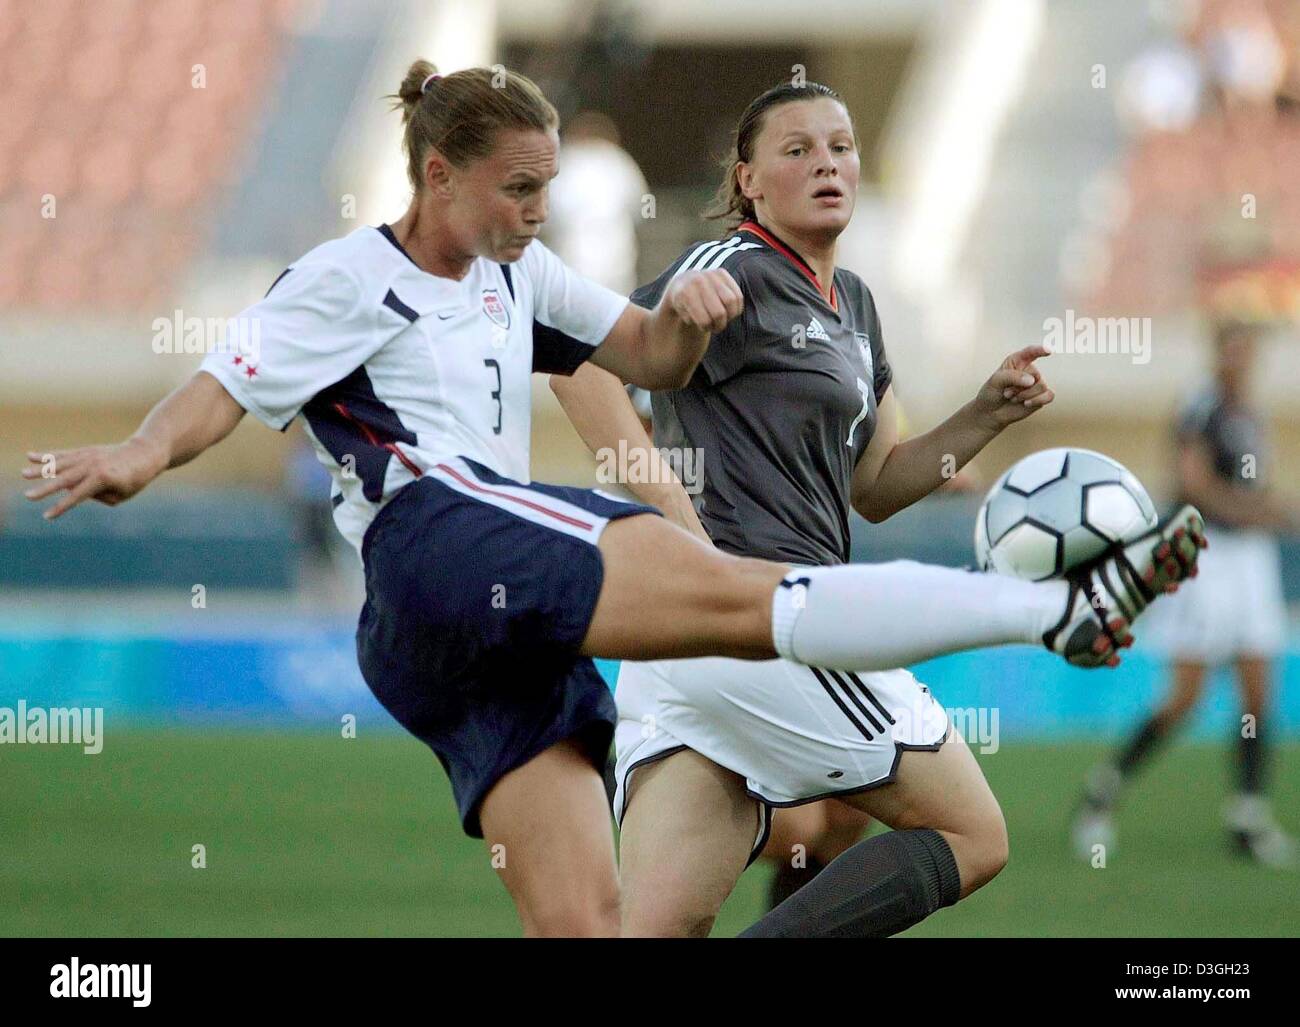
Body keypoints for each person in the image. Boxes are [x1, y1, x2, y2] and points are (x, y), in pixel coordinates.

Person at [24, 65, 1199, 940]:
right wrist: (140, 449)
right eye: (520, 187)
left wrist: (690, 343)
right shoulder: (355, 278)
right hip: (458, 541)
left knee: (611, 928)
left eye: (845, 142)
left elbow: (652, 359)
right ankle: (1039, 608)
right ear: (439, 174)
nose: (541, 210)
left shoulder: (543, 275)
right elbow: (225, 384)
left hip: (507, 637)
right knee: (859, 709)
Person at [551, 80, 1206, 937]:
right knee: (971, 832)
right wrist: (677, 518)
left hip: (698, 647)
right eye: (798, 150)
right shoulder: (732, 269)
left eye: (842, 146)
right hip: (763, 615)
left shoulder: (853, 303)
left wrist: (983, 415)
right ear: (748, 180)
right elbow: (574, 358)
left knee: (661, 926)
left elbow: (876, 486)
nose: (828, 162)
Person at [1073, 318, 1296, 868]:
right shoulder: (1201, 405)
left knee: (1257, 694)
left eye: (1249, 349)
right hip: (1210, 556)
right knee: (1185, 698)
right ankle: (1103, 790)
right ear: (1218, 350)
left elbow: (1253, 482)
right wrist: (1258, 511)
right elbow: (1190, 482)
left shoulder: (1249, 412)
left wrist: (1273, 507)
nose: (1242, 359)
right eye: (1234, 347)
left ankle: (1247, 815)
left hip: (1252, 561)